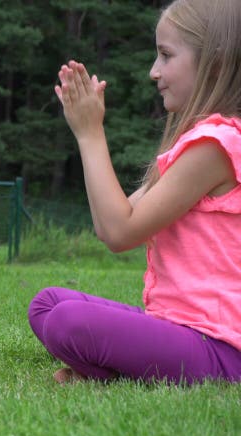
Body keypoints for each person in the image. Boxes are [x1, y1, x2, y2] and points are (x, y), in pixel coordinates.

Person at [28, 0, 241, 384]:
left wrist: (91, 134)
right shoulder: (202, 143)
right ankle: (122, 370)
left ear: (215, 62)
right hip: (181, 328)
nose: (153, 71)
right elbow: (117, 217)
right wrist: (86, 133)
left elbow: (118, 233)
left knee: (67, 322)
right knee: (47, 304)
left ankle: (119, 372)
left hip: (221, 350)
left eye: (165, 55)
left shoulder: (218, 145)